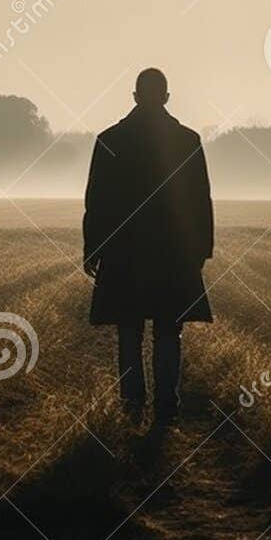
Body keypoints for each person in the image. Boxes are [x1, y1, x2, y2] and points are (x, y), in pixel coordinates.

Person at [83, 68, 214, 427]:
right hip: (173, 253)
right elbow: (199, 199)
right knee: (169, 330)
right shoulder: (187, 140)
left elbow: (97, 200)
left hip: (124, 253)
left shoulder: (111, 139)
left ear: (135, 96)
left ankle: (131, 404)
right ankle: (166, 406)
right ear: (167, 97)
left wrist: (92, 247)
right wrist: (201, 249)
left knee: (128, 328)